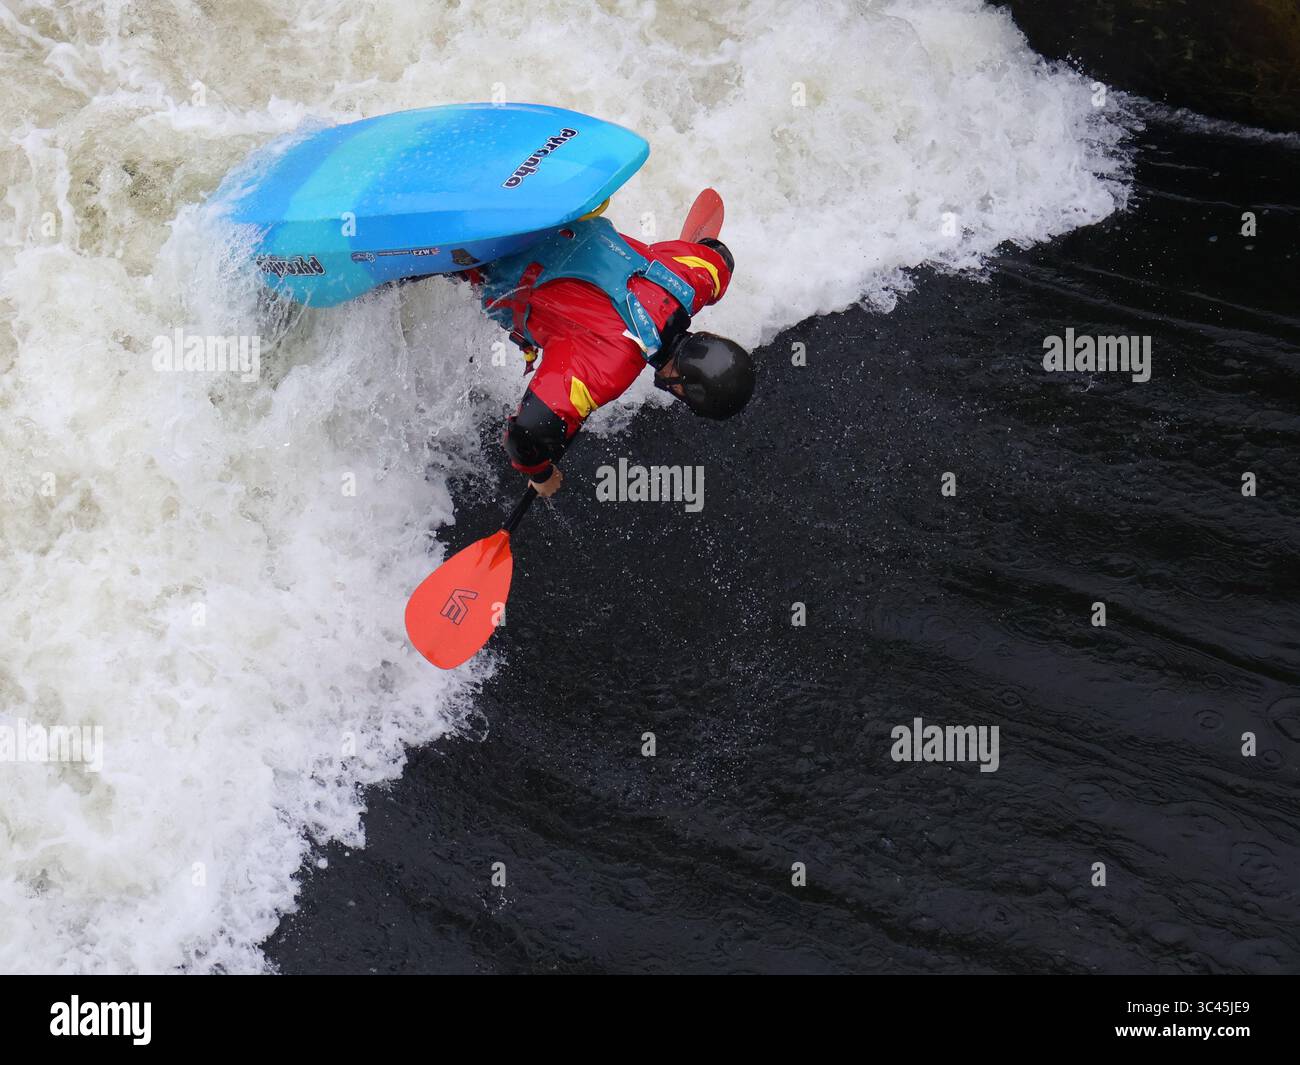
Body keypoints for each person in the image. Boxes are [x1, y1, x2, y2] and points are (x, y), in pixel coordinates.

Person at [461, 215, 755, 497]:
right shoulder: (608, 368)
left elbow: (720, 257)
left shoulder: (695, 279)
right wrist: (541, 474)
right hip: (486, 262)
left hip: (547, 219)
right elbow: (525, 436)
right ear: (680, 388)